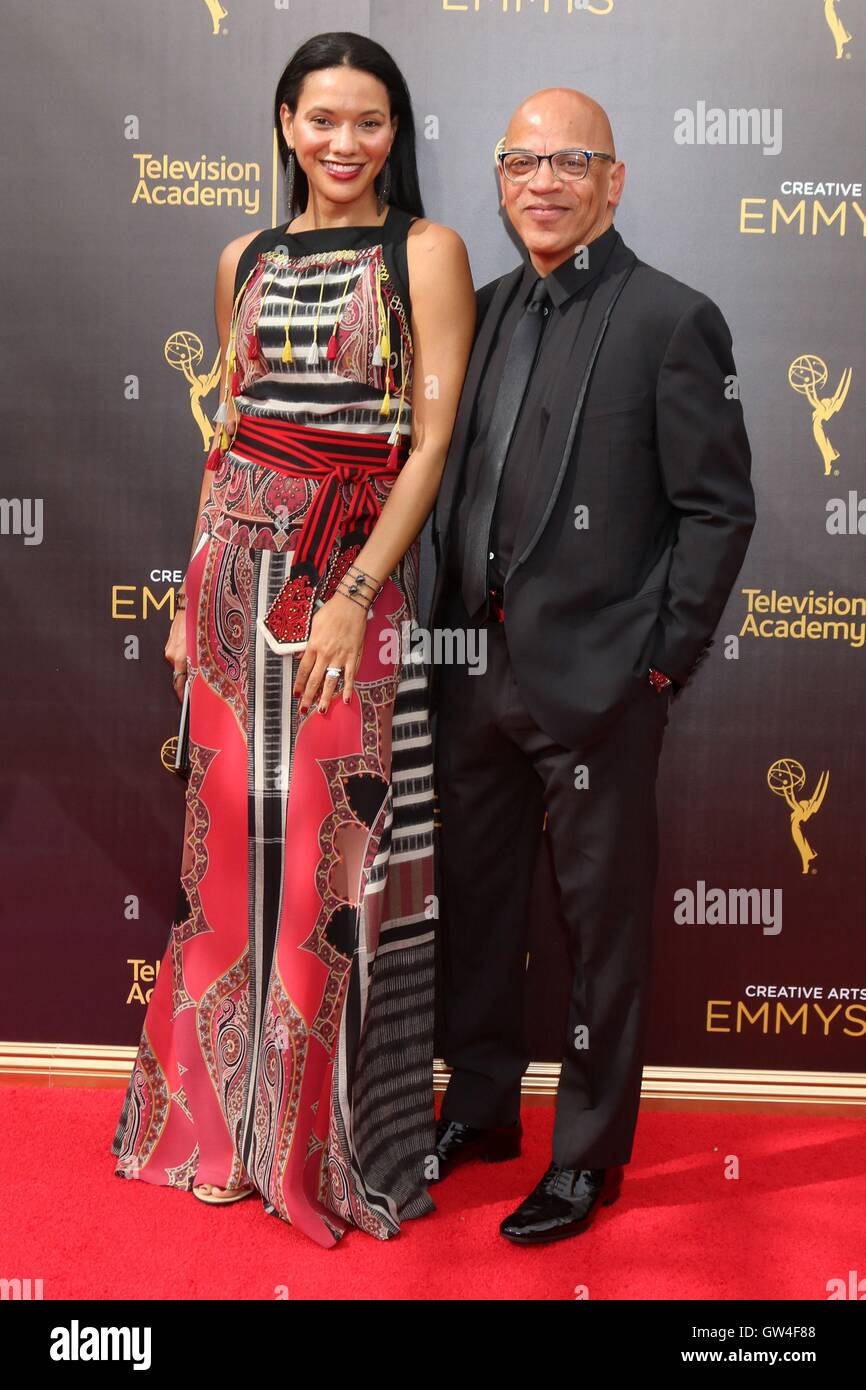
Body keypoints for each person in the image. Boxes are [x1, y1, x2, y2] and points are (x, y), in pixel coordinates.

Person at [111, 31, 475, 1249]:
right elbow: (227, 436)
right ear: (283, 124)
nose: (343, 142)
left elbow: (425, 446)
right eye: (321, 118)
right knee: (225, 845)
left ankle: (309, 1146)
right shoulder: (246, 257)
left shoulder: (422, 253)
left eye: (368, 122)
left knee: (325, 863)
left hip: (345, 583)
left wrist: (356, 591)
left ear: (395, 134)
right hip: (231, 574)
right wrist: (183, 591)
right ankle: (218, 1135)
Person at [428, 88, 756, 1244]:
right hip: (468, 669)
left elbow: (717, 510)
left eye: (572, 160)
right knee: (473, 907)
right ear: (501, 178)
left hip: (599, 686)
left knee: (597, 930)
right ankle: (477, 1106)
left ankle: (584, 1155)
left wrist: (658, 663)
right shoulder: (471, 313)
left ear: (613, 180)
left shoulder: (673, 320)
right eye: (521, 161)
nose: (544, 181)